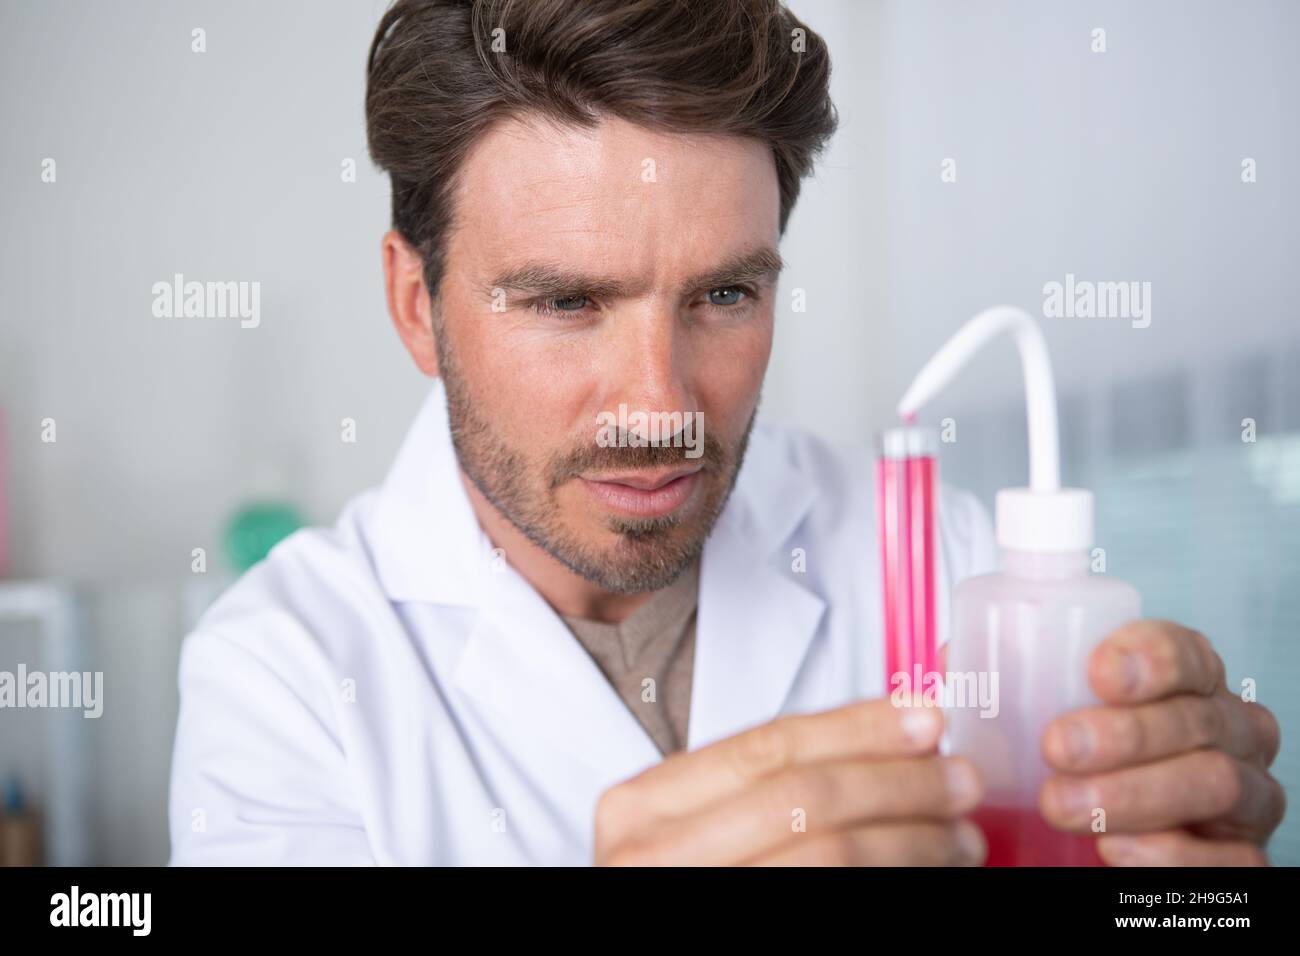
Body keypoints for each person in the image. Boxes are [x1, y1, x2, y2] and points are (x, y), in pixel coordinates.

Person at [167, 0, 1284, 866]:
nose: (659, 403)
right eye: (567, 303)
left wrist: (1187, 891)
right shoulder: (285, 672)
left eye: (723, 296)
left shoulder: (944, 565)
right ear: (417, 304)